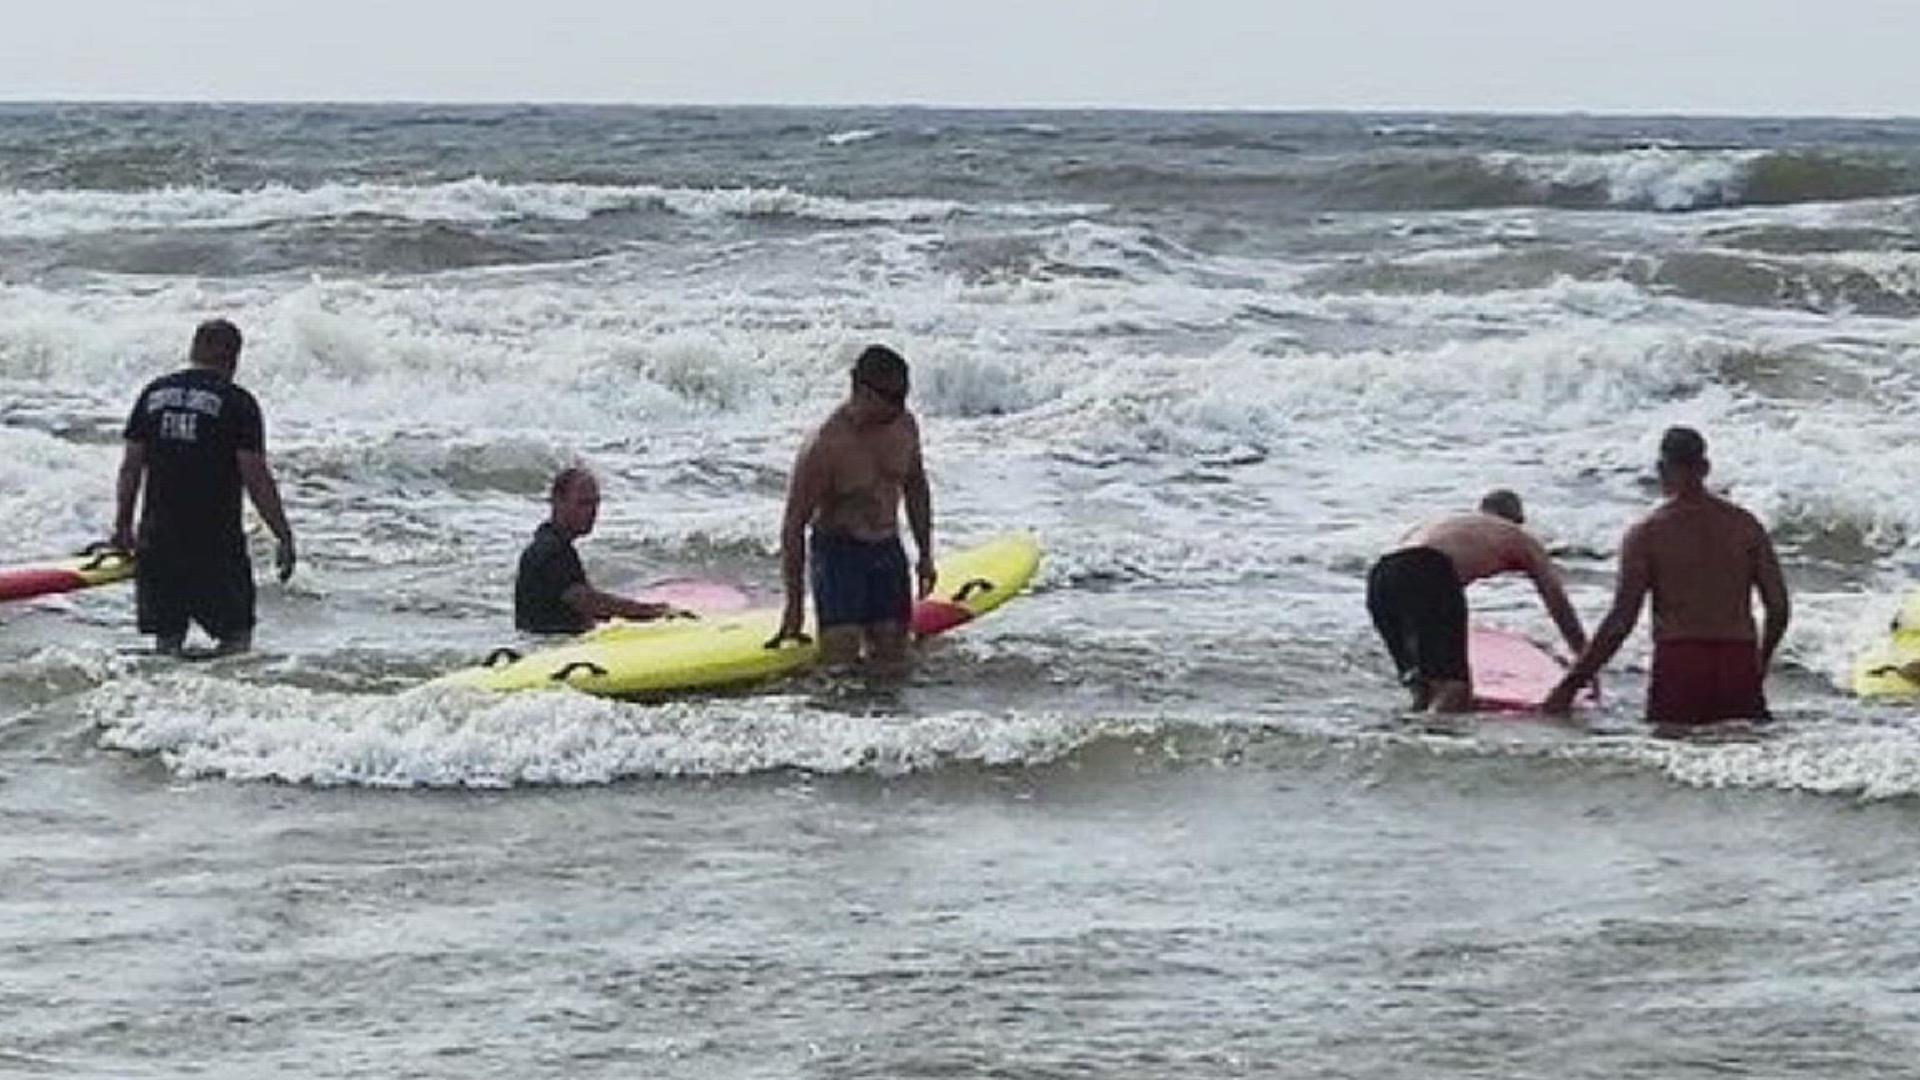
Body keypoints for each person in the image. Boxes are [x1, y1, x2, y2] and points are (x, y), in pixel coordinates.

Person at [1543, 427, 1789, 726]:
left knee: (1674, 757)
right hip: (1737, 659)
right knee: (1744, 757)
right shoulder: (1746, 526)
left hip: (1680, 662)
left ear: (1661, 468)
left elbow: (1621, 621)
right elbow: (1778, 607)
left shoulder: (1648, 532)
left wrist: (1570, 685)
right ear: (1705, 468)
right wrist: (1759, 664)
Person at [111, 319, 295, 656]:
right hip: (214, 545)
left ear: (194, 348)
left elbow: (131, 467)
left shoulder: (154, 393)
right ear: (234, 357)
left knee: (166, 644)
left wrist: (123, 527)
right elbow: (256, 476)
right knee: (236, 641)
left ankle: (158, 706)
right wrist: (282, 533)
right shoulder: (237, 402)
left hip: (159, 540)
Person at [765, 344, 935, 669]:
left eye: (903, 396)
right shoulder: (825, 446)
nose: (898, 407)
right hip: (838, 555)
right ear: (861, 389)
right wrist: (795, 605)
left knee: (892, 655)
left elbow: (916, 487)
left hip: (887, 549)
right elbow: (793, 526)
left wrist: (925, 554)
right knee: (839, 659)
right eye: (890, 398)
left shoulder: (904, 427)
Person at [1367, 489, 1587, 711]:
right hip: (1430, 569)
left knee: (1422, 683)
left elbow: (1412, 572)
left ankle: (1414, 727)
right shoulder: (1517, 536)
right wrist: (1585, 663)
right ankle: (1430, 739)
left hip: (1381, 575)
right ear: (1519, 520)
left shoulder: (1447, 523)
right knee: (1454, 688)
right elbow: (1558, 604)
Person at [514, 467, 683, 634]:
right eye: (583, 503)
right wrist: (655, 612)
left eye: (595, 503)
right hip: (549, 651)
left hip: (543, 645)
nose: (592, 512)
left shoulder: (552, 545)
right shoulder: (550, 551)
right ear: (558, 501)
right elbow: (590, 602)